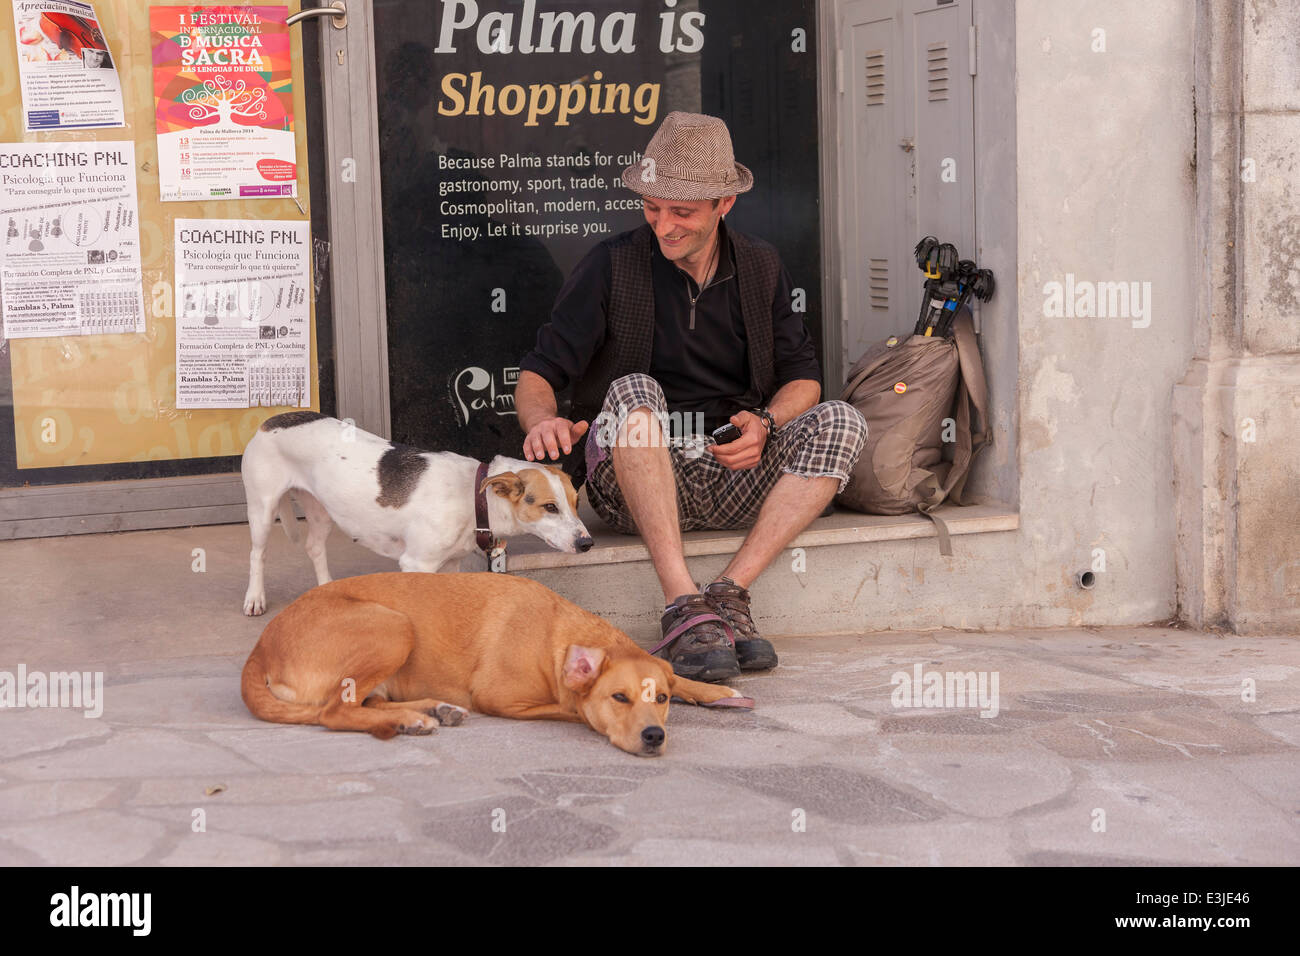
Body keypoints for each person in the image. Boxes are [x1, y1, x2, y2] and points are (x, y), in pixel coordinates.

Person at [515, 111, 867, 682]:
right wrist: (540, 420)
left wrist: (765, 422)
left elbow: (803, 377)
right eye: (653, 209)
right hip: (634, 481)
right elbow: (539, 371)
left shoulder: (760, 264)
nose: (664, 226)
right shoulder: (611, 264)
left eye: (682, 212)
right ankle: (683, 603)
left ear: (724, 203)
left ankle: (729, 595)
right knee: (633, 388)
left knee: (842, 420)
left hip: (732, 472)